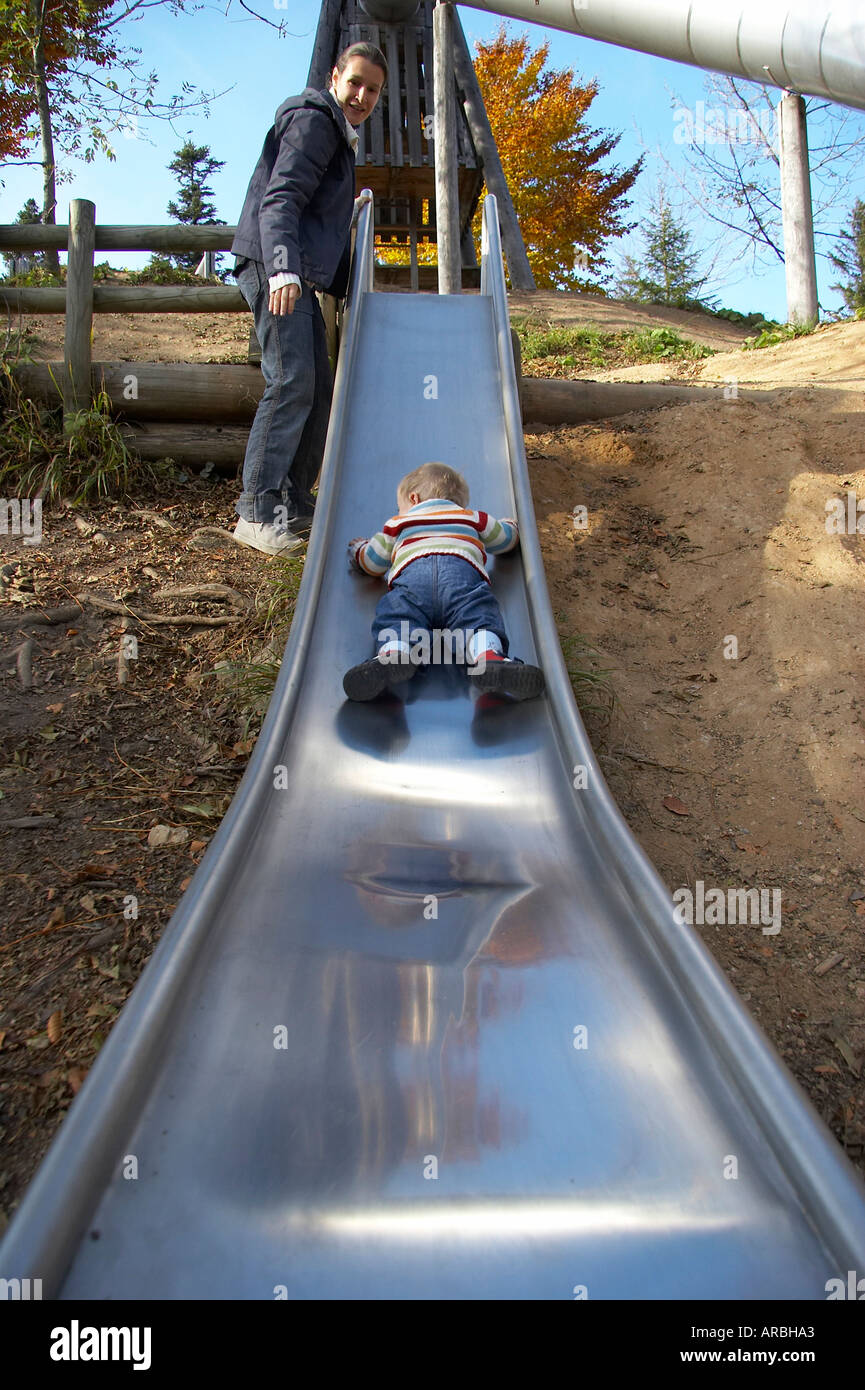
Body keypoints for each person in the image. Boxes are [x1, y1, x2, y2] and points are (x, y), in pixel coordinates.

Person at [230, 43, 387, 556]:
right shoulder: (315, 119)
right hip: (275, 267)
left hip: (295, 272)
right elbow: (281, 198)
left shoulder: (339, 136)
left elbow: (318, 214)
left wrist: (352, 211)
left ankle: (292, 505)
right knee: (292, 379)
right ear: (334, 76)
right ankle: (255, 512)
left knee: (317, 387)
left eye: (373, 90)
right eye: (355, 82)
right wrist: (281, 269)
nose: (362, 95)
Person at [343, 462, 545, 702]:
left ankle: (395, 651)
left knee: (399, 614)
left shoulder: (397, 523)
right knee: (477, 615)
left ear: (413, 498)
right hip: (462, 577)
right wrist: (511, 524)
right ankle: (487, 656)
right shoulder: (471, 517)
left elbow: (372, 563)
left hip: (412, 580)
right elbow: (506, 540)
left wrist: (358, 549)